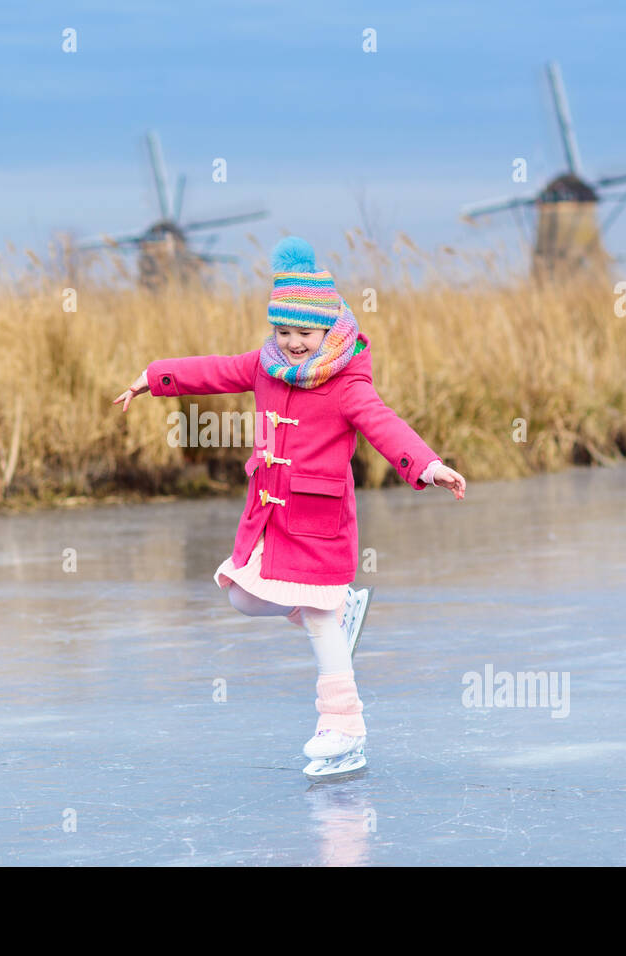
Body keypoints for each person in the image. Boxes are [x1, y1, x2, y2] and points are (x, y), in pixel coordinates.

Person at [113, 236, 465, 777]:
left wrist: (426, 464)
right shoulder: (265, 363)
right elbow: (216, 369)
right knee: (243, 599)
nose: (294, 343)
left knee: (322, 624)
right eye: (284, 331)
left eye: (304, 332)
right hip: (271, 517)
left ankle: (343, 726)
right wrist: (155, 377)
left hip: (320, 523)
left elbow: (383, 423)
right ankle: (340, 612)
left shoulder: (347, 383)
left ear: (328, 330)